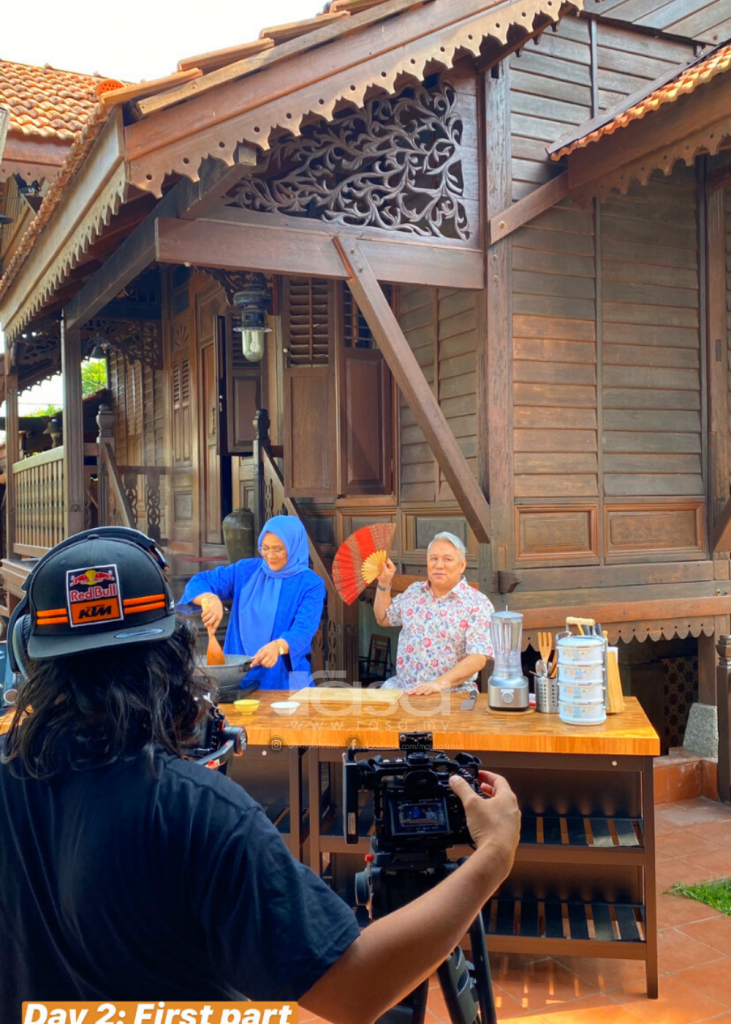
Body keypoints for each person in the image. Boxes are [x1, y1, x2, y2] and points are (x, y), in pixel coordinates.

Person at [0, 527, 520, 1024]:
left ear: (28, 655)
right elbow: (357, 989)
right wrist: (493, 856)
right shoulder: (201, 813)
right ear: (170, 657)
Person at [180, 515, 325, 689]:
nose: (270, 555)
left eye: (278, 549)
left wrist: (279, 646)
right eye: (265, 548)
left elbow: (303, 630)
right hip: (237, 677)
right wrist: (209, 599)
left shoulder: (311, 584)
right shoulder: (245, 570)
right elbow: (199, 582)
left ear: (294, 547)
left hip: (285, 680)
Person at [374, 531, 494, 696]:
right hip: (404, 688)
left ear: (462, 565)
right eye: (433, 559)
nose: (439, 565)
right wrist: (384, 583)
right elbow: (384, 618)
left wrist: (437, 685)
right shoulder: (414, 592)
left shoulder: (477, 603)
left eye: (447, 559)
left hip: (452, 692)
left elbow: (478, 658)